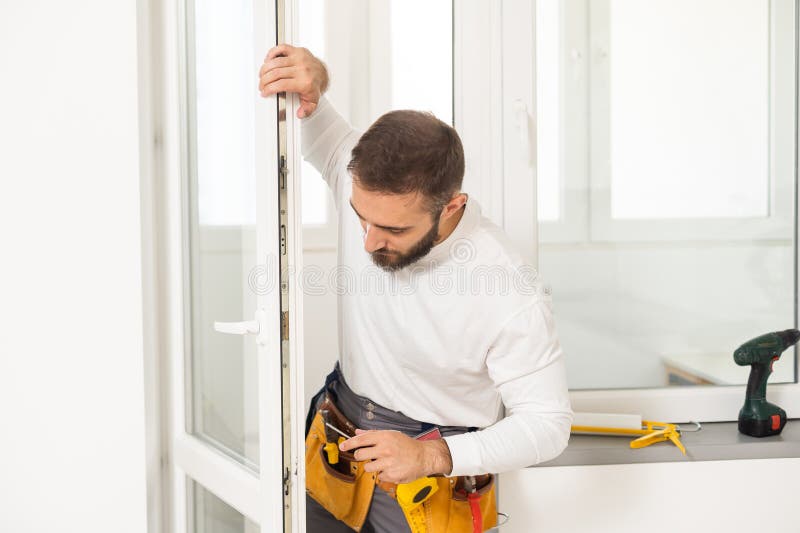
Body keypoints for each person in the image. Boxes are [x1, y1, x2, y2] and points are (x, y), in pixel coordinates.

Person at [258, 44, 572, 533]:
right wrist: (314, 78)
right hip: (338, 437)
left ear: (451, 207)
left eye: (393, 231)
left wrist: (432, 456)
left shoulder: (508, 288)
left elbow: (548, 425)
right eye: (361, 218)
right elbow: (317, 115)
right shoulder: (363, 185)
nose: (369, 241)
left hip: (430, 474)